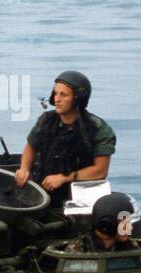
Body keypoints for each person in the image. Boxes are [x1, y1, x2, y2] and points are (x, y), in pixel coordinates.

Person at [14, 70, 115, 200]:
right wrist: (24, 169)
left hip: (81, 196)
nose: (57, 99)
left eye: (63, 95)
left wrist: (63, 178)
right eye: (55, 94)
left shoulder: (98, 129)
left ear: (77, 98)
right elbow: (31, 147)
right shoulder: (46, 121)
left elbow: (100, 170)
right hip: (44, 191)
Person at [63, 192, 141, 252]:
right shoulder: (77, 250)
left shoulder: (130, 246)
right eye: (125, 224)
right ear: (108, 224)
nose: (131, 227)